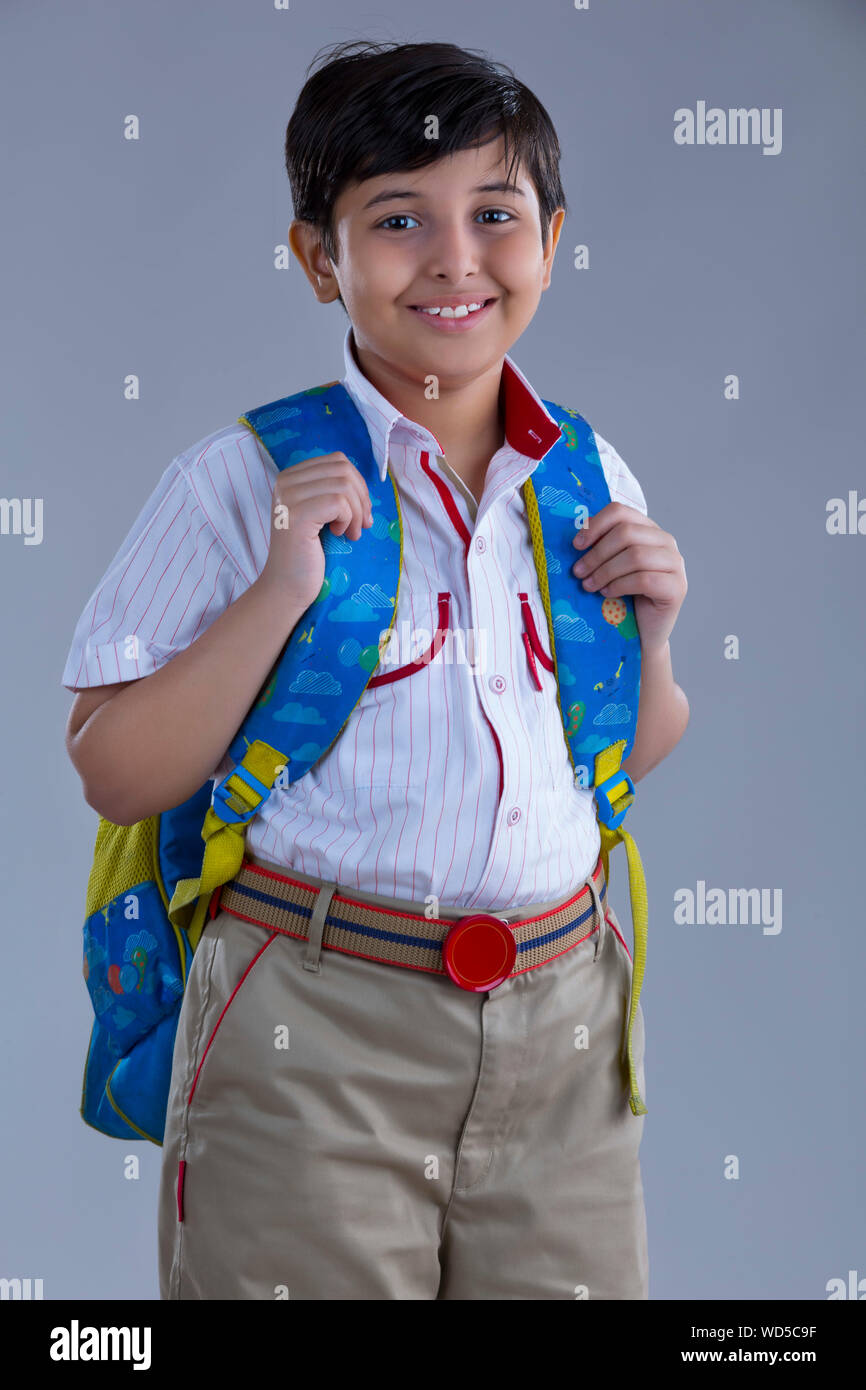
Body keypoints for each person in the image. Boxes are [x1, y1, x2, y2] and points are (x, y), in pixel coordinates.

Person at [63, 39, 689, 1300]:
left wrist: (657, 637)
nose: (455, 258)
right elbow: (116, 771)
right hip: (314, 1023)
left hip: (560, 1017)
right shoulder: (241, 483)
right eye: (397, 218)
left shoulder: (584, 480)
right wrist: (282, 586)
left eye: (494, 215)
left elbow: (612, 757)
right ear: (316, 258)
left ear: (551, 241)